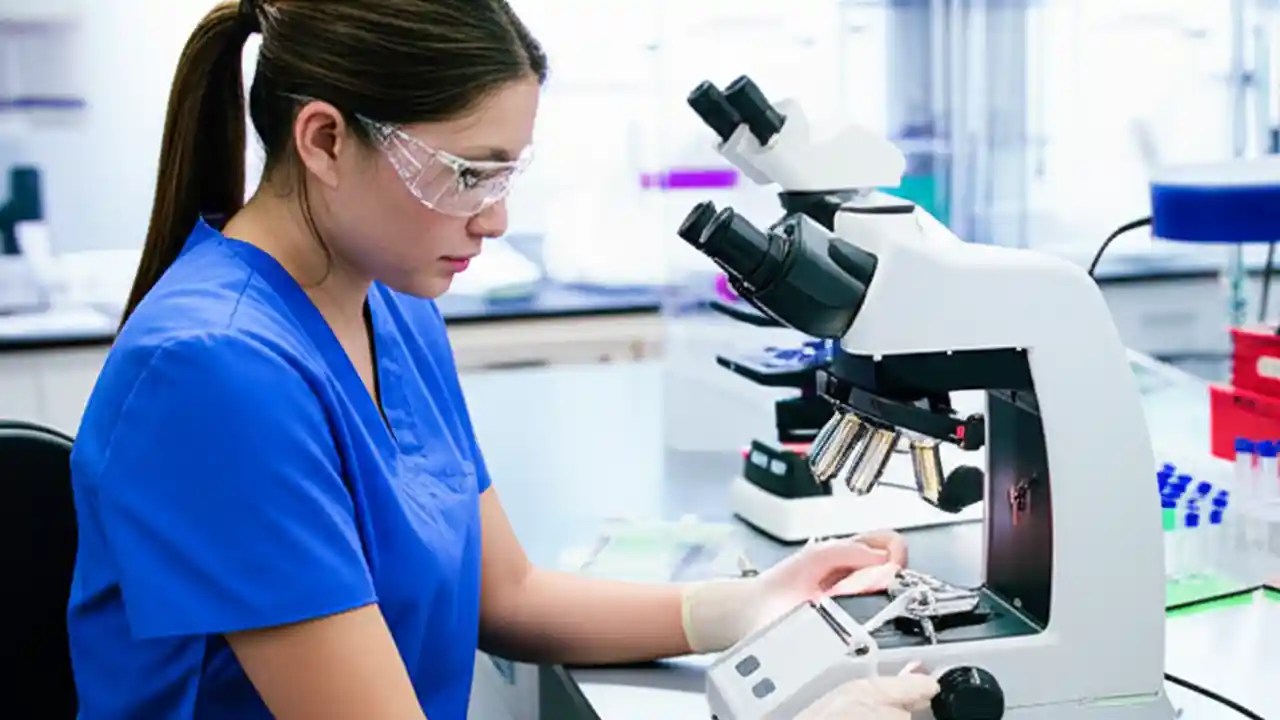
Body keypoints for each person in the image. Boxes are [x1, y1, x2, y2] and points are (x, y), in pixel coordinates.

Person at [65, 1, 940, 718]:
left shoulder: (393, 304)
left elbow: (507, 594)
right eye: (468, 174)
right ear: (325, 141)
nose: (495, 219)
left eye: (508, 175)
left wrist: (738, 609)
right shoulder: (215, 371)